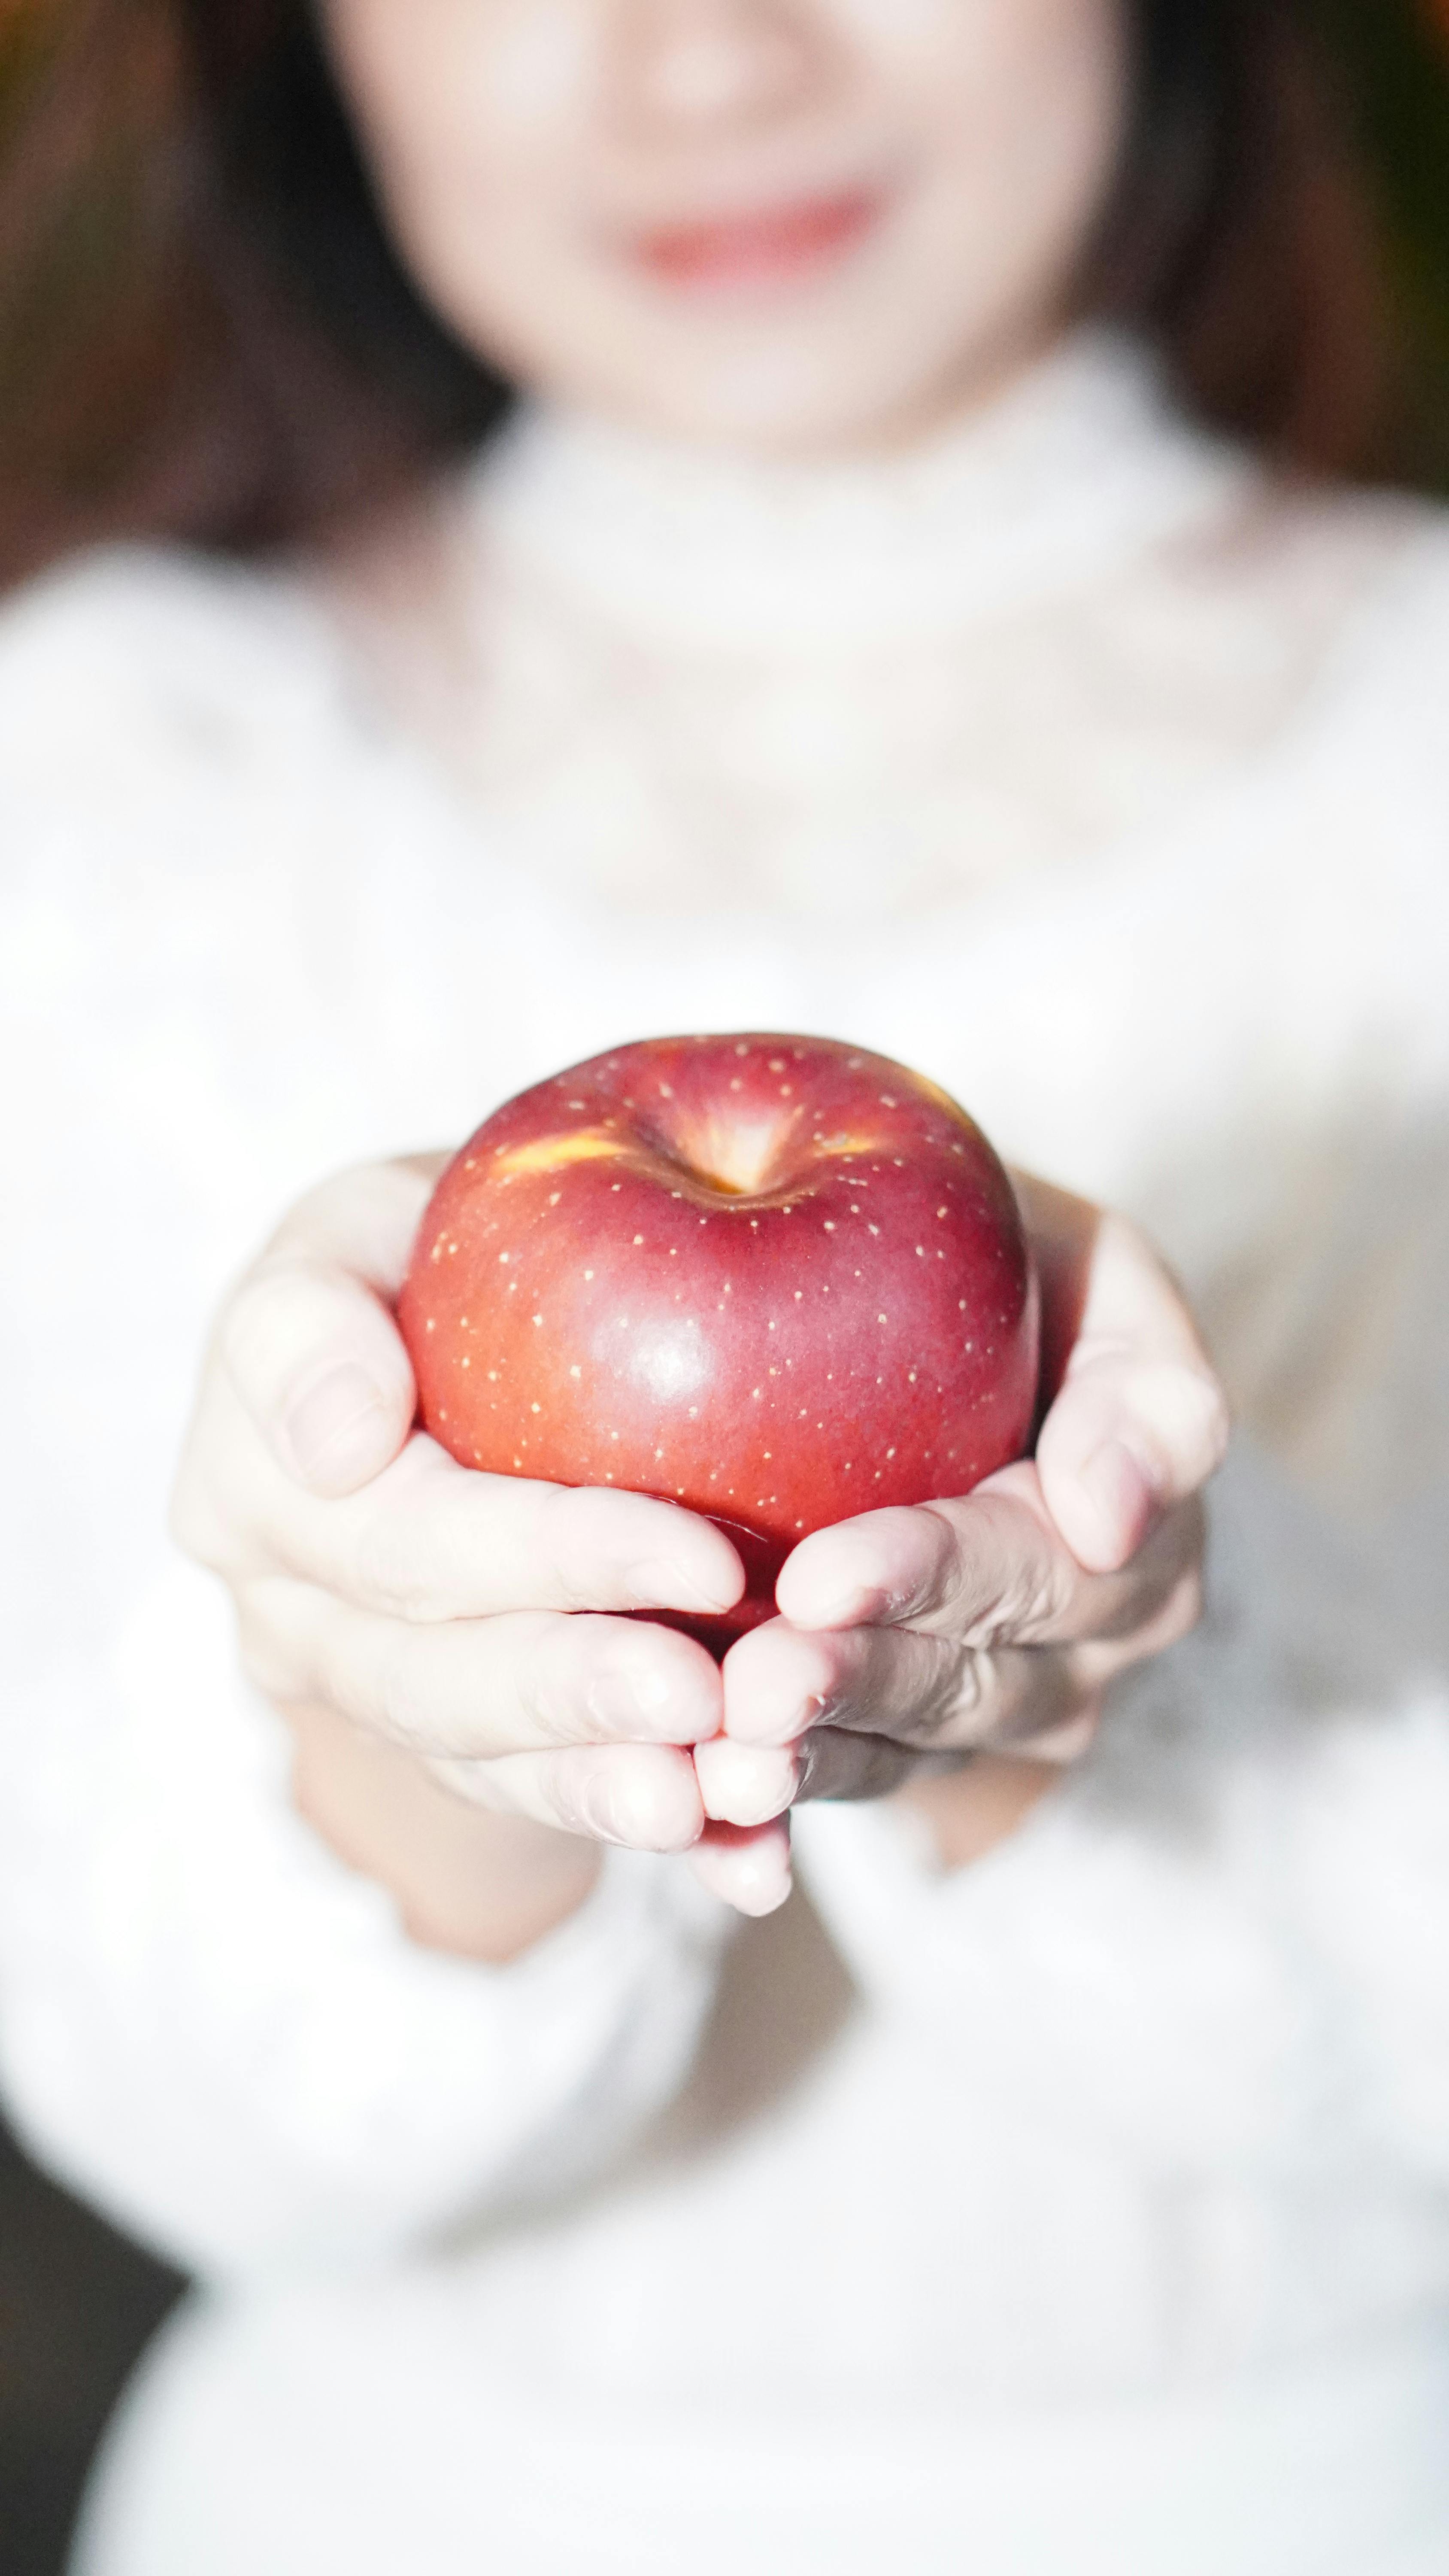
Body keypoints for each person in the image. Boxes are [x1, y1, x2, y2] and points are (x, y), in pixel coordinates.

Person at [0, 2, 1446, 2569]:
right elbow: (148, 2078)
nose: (710, 62)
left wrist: (1061, 1705)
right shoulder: (99, 775)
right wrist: (416, 1722)